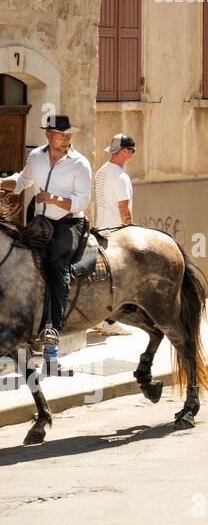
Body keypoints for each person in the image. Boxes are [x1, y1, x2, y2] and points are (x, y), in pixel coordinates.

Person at [0, 116, 93, 363]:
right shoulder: (37, 157)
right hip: (40, 220)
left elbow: (82, 201)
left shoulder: (80, 164)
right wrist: (1, 182)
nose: (66, 139)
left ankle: (53, 330)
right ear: (48, 135)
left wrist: (52, 198)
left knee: (55, 264)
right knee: (22, 261)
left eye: (68, 135)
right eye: (61, 135)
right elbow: (22, 181)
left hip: (68, 223)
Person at [94, 133, 135, 229]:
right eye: (132, 150)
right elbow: (124, 210)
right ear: (125, 151)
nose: (133, 154)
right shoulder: (121, 176)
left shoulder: (100, 171)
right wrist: (131, 233)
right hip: (117, 235)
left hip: (100, 232)